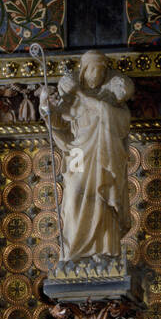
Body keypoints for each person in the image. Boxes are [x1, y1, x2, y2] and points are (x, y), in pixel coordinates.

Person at [40, 50, 134, 260]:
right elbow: (60, 121)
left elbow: (112, 117)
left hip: (104, 157)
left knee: (102, 200)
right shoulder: (73, 99)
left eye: (100, 71)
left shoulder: (111, 103)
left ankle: (103, 251)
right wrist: (46, 106)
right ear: (84, 71)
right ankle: (73, 250)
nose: (96, 76)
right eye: (92, 70)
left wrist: (80, 96)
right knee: (73, 196)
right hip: (76, 154)